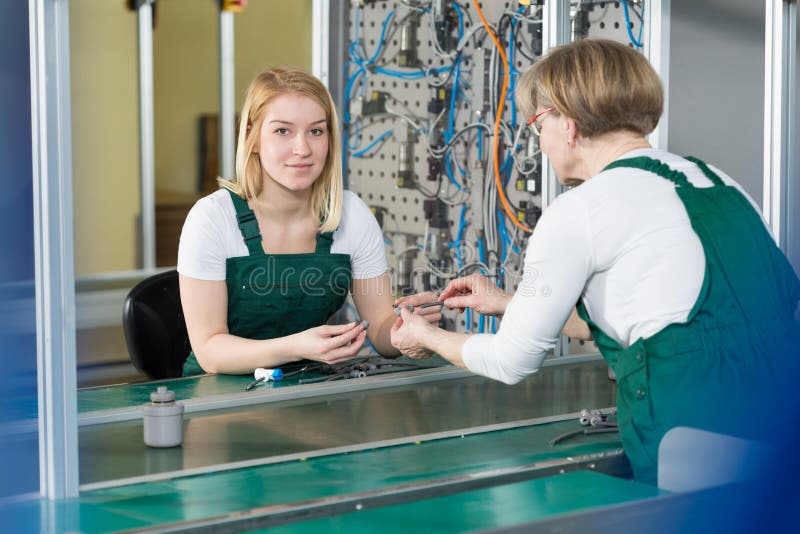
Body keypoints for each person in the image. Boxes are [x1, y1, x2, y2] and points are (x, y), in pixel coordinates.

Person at [390, 39, 800, 485]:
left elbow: (512, 361)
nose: (539, 143)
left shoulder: (582, 208)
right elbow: (656, 314)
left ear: (566, 123)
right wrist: (513, 303)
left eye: (536, 126)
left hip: (697, 443)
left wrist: (425, 335)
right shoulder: (718, 182)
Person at [178, 66, 440, 376]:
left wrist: (406, 333)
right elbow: (210, 350)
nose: (302, 149)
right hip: (218, 400)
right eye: (282, 131)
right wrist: (295, 346)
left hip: (308, 391)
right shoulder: (211, 219)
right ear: (252, 137)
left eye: (316, 131)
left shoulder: (351, 214)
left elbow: (381, 328)